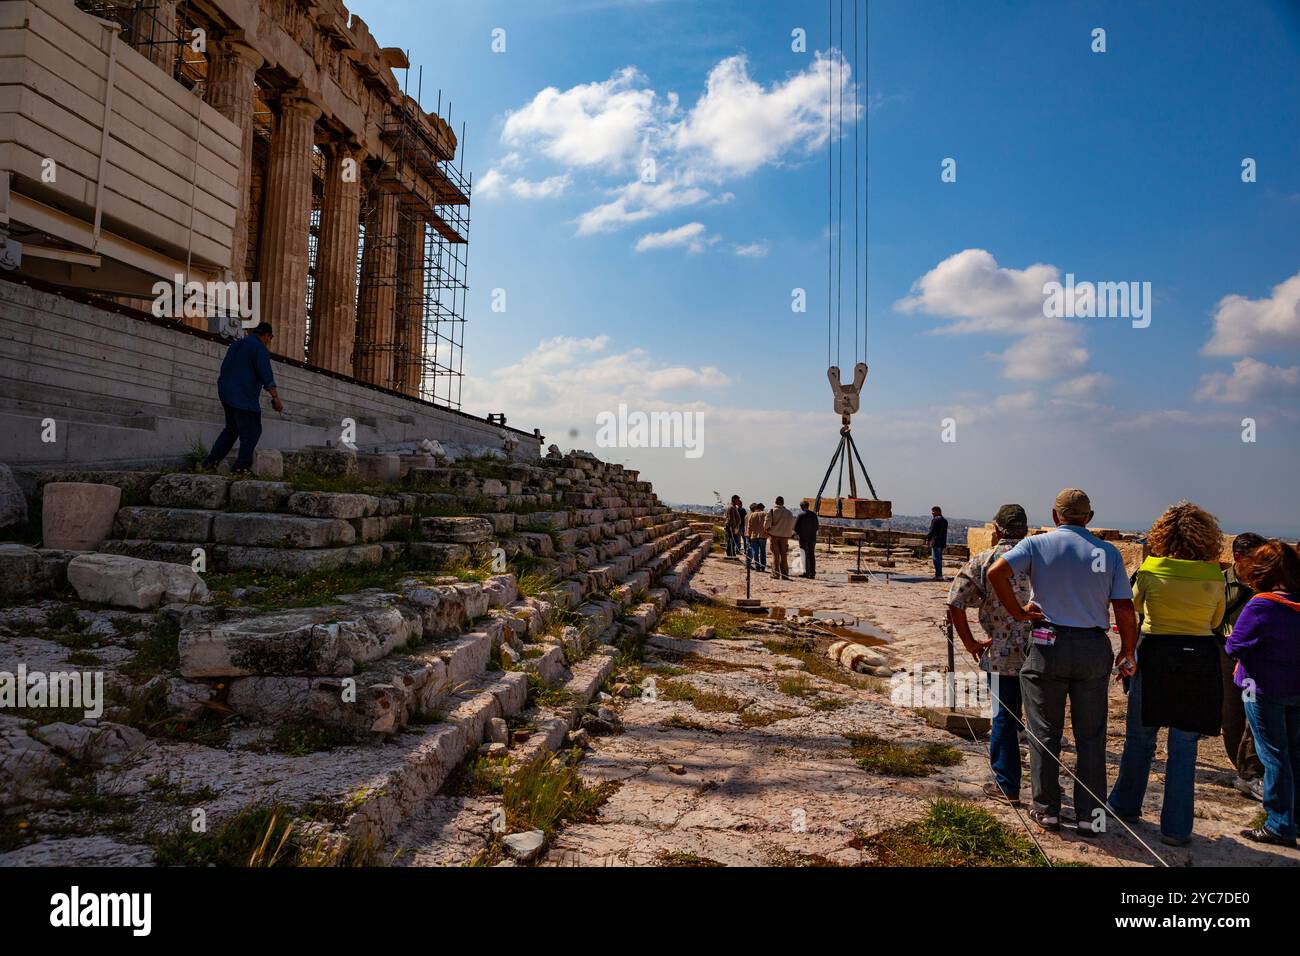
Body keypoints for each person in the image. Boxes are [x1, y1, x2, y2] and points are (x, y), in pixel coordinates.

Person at [987, 488, 1138, 835]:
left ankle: (1048, 810)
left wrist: (1018, 611)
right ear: (1090, 517)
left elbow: (996, 572)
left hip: (1047, 642)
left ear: (1055, 516)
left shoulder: (1038, 544)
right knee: (1091, 735)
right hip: (1092, 646)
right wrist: (1128, 651)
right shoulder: (1108, 552)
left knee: (1044, 732)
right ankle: (1090, 816)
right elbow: (1124, 608)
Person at [1107, 503, 1226, 847]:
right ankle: (1176, 829)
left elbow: (1135, 607)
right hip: (1199, 660)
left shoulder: (1150, 569)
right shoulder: (1213, 575)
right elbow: (1216, 622)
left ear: (1163, 534)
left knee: (1140, 736)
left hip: (1157, 653)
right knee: (1185, 745)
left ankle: (1125, 804)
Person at [947, 504, 1034, 805]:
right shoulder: (1042, 558)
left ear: (996, 530)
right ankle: (1047, 794)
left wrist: (970, 642)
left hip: (1001, 651)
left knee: (1004, 718)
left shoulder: (985, 560)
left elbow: (955, 603)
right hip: (1043, 650)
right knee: (1044, 723)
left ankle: (1007, 785)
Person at [1226, 540, 1300, 847]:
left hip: (1259, 687)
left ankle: (1278, 823)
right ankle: (1293, 817)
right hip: (1295, 687)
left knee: (1272, 754)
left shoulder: (1262, 604)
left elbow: (1234, 646)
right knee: (1293, 752)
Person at [1219, 532, 1268, 800]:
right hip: (1226, 658)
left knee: (1254, 714)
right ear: (1238, 557)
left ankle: (1251, 771)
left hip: (1254, 661)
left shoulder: (1266, 584)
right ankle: (1242, 769)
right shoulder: (1218, 582)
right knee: (1232, 712)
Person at [203, 322, 282, 473]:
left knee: (231, 430)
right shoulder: (259, 348)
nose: (268, 341)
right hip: (243, 396)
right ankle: (241, 468)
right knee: (252, 431)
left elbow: (225, 367)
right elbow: (265, 373)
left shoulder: (236, 344)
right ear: (266, 335)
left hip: (226, 392)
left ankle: (210, 462)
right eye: (269, 338)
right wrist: (275, 397)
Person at [766, 496, 796, 580]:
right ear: (783, 502)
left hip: (774, 536)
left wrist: (767, 530)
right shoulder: (789, 513)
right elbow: (792, 525)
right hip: (785, 537)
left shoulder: (772, 511)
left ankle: (775, 574)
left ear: (775, 502)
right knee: (784, 556)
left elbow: (767, 523)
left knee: (775, 556)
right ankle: (785, 574)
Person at [794, 501, 820, 579]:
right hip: (812, 538)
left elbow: (796, 527)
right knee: (812, 555)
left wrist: (800, 534)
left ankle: (806, 572)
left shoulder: (800, 515)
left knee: (805, 555)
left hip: (803, 538)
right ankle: (812, 573)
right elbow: (817, 527)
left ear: (802, 507)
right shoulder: (814, 515)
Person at [927, 506, 949, 580]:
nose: (932, 513)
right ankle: (939, 574)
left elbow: (932, 531)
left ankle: (938, 575)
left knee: (936, 559)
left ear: (938, 511)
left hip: (935, 542)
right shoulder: (945, 521)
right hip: (942, 542)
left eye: (934, 511)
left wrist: (928, 539)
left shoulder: (935, 520)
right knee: (939, 559)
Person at [745, 503, 768, 572]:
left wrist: (748, 536)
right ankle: (763, 567)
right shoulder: (765, 514)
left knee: (755, 552)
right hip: (763, 536)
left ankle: (757, 567)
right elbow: (767, 524)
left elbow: (749, 527)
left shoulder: (752, 515)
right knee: (763, 552)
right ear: (762, 508)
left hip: (754, 536)